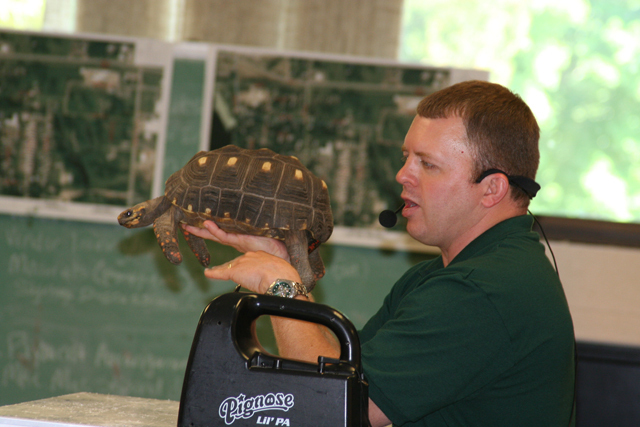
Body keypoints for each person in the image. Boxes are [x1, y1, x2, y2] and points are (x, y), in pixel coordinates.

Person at [183, 80, 576, 427]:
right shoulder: (444, 276)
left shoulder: (481, 292)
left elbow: (330, 409)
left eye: (427, 164)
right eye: (407, 157)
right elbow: (339, 371)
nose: (402, 175)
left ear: (492, 189)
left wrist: (280, 284)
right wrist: (283, 263)